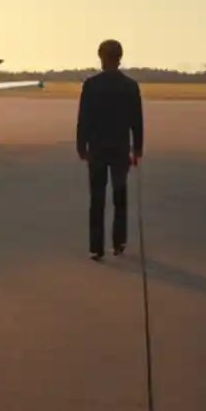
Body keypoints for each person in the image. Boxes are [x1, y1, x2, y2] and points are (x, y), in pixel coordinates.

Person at [76, 39, 144, 261]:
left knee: (97, 199)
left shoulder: (91, 85)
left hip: (97, 149)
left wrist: (81, 146)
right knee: (119, 196)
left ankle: (96, 247)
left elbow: (83, 119)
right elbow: (137, 121)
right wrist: (137, 148)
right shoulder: (130, 86)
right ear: (120, 57)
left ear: (101, 57)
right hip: (120, 149)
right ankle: (119, 242)